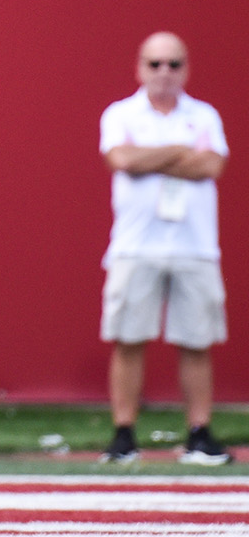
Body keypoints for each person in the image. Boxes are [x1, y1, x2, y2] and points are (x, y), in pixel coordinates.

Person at [98, 31, 231, 466]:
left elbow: (212, 164)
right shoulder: (120, 113)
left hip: (195, 245)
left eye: (174, 64)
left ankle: (198, 431)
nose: (164, 73)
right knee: (129, 337)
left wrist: (148, 156)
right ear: (139, 68)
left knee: (196, 340)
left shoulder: (204, 115)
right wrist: (177, 151)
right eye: (155, 64)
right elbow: (121, 160)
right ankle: (123, 434)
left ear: (186, 69)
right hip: (136, 244)